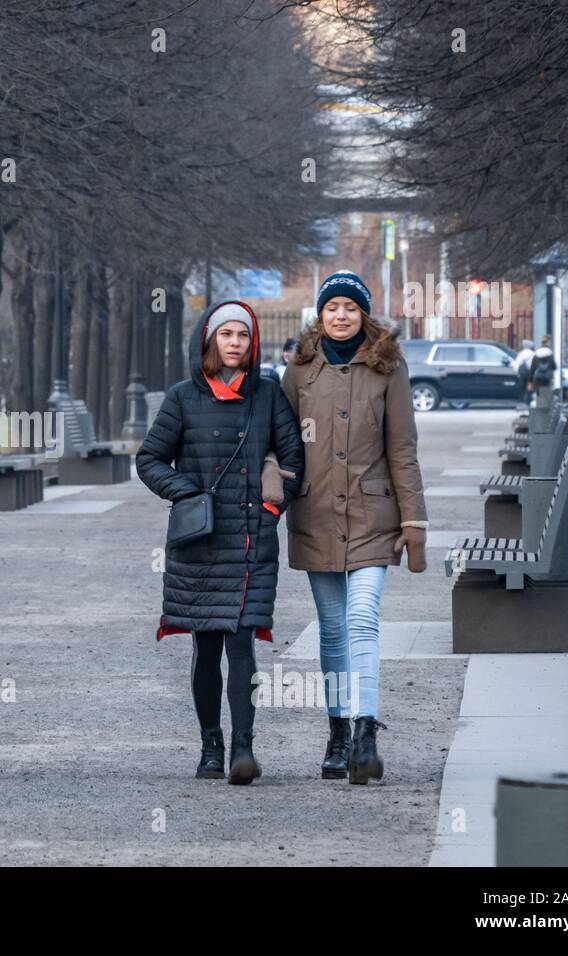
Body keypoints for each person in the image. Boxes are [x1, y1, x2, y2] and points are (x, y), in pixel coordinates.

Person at [136, 300, 305, 784]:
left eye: (243, 336)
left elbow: (293, 458)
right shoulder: (182, 397)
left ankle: (243, 749)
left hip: (251, 540)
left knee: (243, 645)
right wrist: (186, 493)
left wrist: (274, 506)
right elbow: (149, 459)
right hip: (200, 541)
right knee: (206, 648)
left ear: (253, 344)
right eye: (226, 334)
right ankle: (211, 745)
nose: (235, 343)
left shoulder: (269, 396)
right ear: (210, 340)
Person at [281, 271, 428, 785]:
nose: (340, 315)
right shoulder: (299, 371)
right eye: (331, 307)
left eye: (349, 307)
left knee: (363, 619)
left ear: (363, 313)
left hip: (372, 516)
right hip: (316, 515)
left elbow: (402, 449)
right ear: (319, 315)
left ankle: (366, 732)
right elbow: (284, 447)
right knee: (333, 629)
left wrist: (414, 521)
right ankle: (337, 732)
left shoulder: (387, 366)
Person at [528, 334, 558, 407]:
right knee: (547, 394)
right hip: (547, 378)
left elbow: (532, 369)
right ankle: (546, 410)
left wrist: (530, 381)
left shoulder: (536, 354)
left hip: (538, 378)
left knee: (538, 395)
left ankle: (539, 409)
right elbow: (554, 367)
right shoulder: (550, 354)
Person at [514, 338, 535, 405]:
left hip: (522, 374)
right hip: (530, 374)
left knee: (522, 388)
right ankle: (528, 402)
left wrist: (518, 373)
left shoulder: (521, 354)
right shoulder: (533, 354)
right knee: (529, 389)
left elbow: (517, 364)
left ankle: (521, 403)